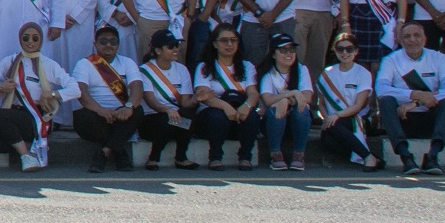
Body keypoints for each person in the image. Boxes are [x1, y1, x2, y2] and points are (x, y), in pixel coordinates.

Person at [0, 21, 69, 171]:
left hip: (39, 118)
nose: (30, 42)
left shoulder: (48, 64)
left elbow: (75, 89)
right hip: (15, 113)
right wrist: (1, 86)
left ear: (41, 40)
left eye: (35, 38)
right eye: (26, 38)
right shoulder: (10, 61)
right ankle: (32, 148)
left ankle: (25, 155)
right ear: (20, 40)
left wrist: (52, 94)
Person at [373, 19, 445, 174]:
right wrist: (413, 94)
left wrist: (416, 102)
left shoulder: (439, 58)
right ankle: (406, 157)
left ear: (425, 39)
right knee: (386, 101)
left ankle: (432, 156)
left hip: (430, 118)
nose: (412, 40)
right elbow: (381, 89)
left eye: (417, 35)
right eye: (407, 36)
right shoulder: (390, 60)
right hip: (403, 119)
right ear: (399, 40)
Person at [67, 25, 141, 173]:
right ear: (95, 44)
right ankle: (118, 150)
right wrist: (100, 110)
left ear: (118, 44)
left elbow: (137, 87)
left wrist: (129, 106)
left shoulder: (127, 63)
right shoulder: (84, 64)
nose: (108, 45)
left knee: (138, 111)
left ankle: (104, 152)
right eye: (104, 41)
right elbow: (80, 91)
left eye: (113, 41)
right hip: (97, 114)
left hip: (121, 114)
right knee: (83, 117)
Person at [188, 23, 259, 169]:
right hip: (212, 116)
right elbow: (204, 95)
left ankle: (245, 157)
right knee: (217, 116)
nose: (229, 44)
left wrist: (246, 106)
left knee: (252, 117)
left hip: (239, 112)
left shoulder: (247, 66)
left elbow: (253, 93)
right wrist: (225, 107)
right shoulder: (205, 67)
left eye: (233, 40)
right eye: (224, 40)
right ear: (214, 43)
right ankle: (215, 157)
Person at [130, 31, 198, 170]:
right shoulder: (144, 71)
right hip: (152, 119)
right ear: (158, 51)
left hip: (176, 118)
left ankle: (181, 157)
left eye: (176, 45)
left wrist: (196, 99)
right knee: (164, 120)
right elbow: (151, 101)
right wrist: (168, 110)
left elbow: (185, 103)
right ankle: (153, 158)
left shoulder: (182, 69)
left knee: (189, 115)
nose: (176, 49)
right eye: (171, 46)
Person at [314, 36, 380, 171]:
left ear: (356, 51)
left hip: (355, 119)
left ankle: (368, 157)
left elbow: (358, 106)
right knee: (327, 139)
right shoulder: (327, 73)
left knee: (335, 125)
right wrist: (326, 118)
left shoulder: (363, 73)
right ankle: (373, 158)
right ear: (335, 51)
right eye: (340, 49)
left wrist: (336, 115)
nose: (345, 53)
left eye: (349, 49)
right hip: (333, 121)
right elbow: (320, 103)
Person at [255, 35, 313, 171]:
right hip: (273, 124)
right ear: (274, 54)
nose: (289, 54)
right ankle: (275, 154)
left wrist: (286, 101)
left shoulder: (301, 69)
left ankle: (299, 154)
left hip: (296, 123)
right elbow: (268, 99)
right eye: (283, 50)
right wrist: (288, 96)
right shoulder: (267, 72)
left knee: (302, 109)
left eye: (291, 50)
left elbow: (307, 97)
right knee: (276, 109)